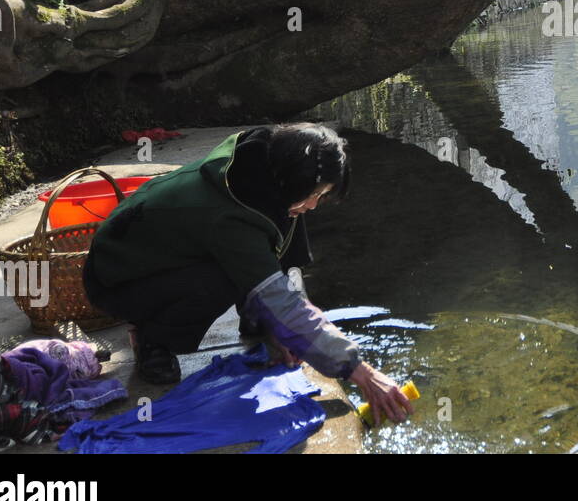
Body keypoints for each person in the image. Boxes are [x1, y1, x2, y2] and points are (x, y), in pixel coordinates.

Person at [82, 122, 413, 425]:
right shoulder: (231, 213)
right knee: (222, 281)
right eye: (315, 195)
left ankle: (253, 323)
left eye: (322, 197)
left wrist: (277, 331)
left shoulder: (268, 173)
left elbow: (279, 268)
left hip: (167, 257)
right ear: (291, 179)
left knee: (258, 283)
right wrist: (363, 373)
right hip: (118, 279)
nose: (314, 205)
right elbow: (277, 296)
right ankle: (153, 338)